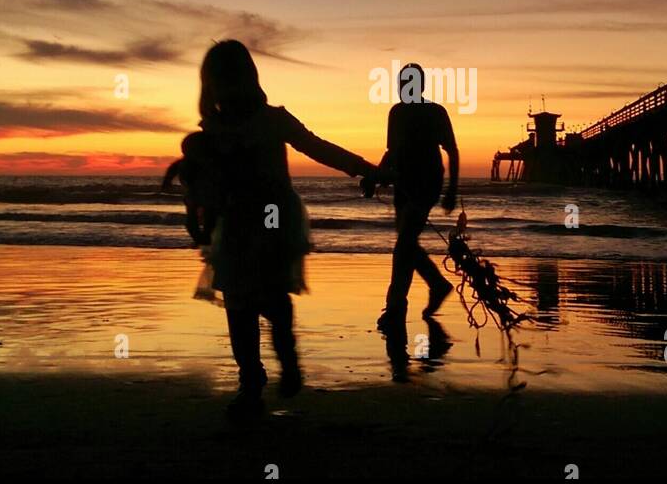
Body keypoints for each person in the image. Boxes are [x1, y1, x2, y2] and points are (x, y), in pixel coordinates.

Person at [181, 40, 377, 420]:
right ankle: (250, 384)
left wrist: (365, 168)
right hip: (234, 225)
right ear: (210, 88)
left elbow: (318, 148)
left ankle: (287, 363)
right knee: (238, 307)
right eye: (219, 83)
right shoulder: (210, 133)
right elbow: (202, 183)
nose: (226, 90)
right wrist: (197, 219)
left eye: (232, 81)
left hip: (274, 222)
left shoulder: (274, 120)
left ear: (249, 80)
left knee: (272, 300)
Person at [373, 63, 459, 329]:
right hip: (402, 184)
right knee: (407, 243)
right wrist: (376, 176)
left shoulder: (435, 112)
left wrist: (451, 191)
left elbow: (452, 151)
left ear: (421, 86)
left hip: (427, 183)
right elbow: (392, 151)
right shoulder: (396, 113)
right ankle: (437, 284)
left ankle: (395, 309)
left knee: (404, 245)